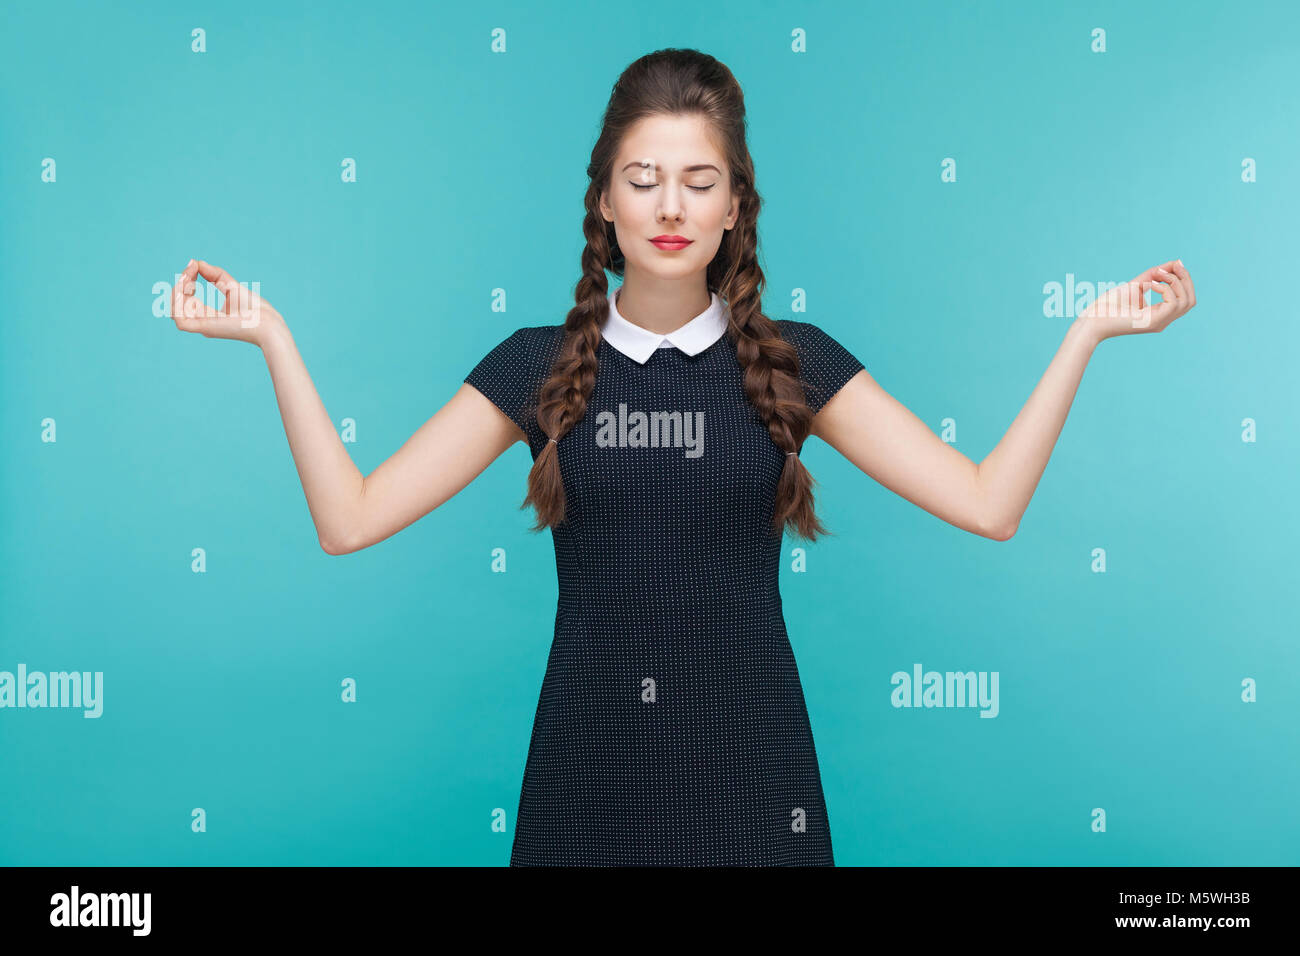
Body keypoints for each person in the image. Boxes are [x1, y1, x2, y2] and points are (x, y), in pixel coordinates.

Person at [168, 48, 1197, 866]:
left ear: (735, 206)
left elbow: (987, 501)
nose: (670, 207)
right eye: (644, 181)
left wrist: (1085, 334)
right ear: (604, 202)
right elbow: (348, 518)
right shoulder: (537, 365)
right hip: (588, 776)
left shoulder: (796, 363)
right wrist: (274, 339)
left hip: (755, 782)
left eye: (698, 182)